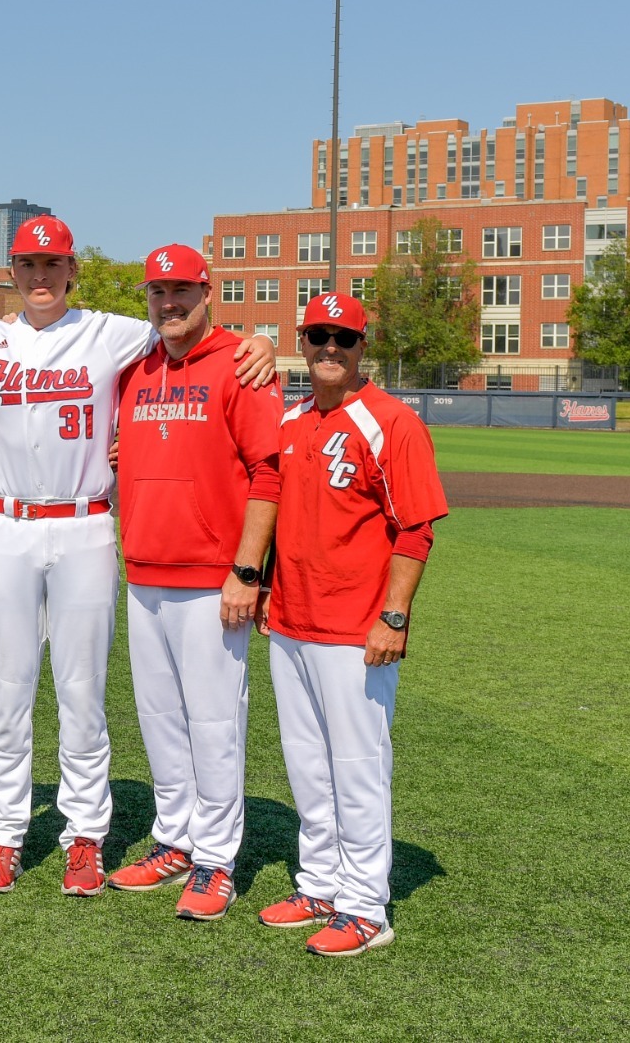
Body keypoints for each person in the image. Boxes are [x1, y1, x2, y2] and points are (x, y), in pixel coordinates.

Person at [0, 215, 274, 896]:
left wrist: (261, 339)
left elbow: (188, 329)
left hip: (84, 524)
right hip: (5, 524)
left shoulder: (112, 332)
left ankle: (84, 835)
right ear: (13, 272)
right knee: (6, 690)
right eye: (28, 264)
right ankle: (4, 834)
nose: (40, 276)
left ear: (71, 271)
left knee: (82, 692)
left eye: (52, 264)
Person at [258, 292, 446, 957]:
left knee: (358, 767)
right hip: (291, 621)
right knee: (307, 765)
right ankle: (319, 884)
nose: (330, 347)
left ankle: (366, 906)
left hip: (355, 627)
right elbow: (275, 510)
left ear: (363, 346)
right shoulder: (291, 419)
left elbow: (415, 529)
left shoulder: (392, 421)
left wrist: (394, 617)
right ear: (302, 342)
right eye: (319, 335)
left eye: (343, 337)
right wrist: (266, 587)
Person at [105, 245, 281, 921]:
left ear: (207, 292)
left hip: (214, 578)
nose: (169, 302)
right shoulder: (137, 369)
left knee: (213, 723)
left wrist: (248, 570)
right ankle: (175, 840)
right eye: (158, 291)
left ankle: (216, 859)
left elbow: (268, 472)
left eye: (181, 290)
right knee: (160, 719)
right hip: (145, 568)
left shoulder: (241, 363)